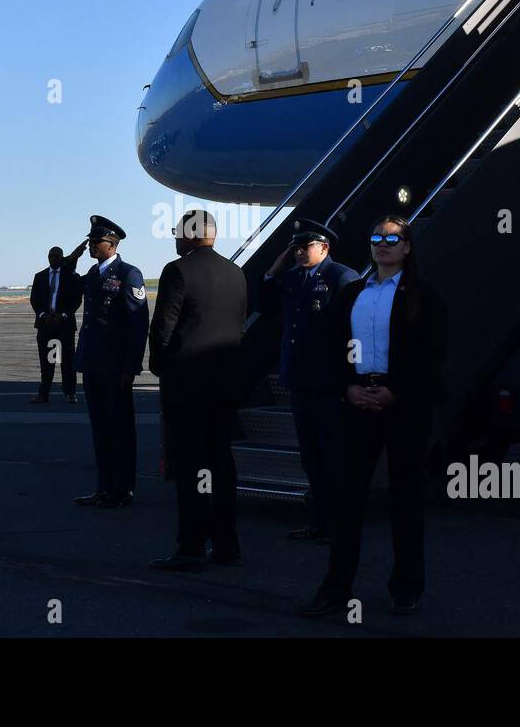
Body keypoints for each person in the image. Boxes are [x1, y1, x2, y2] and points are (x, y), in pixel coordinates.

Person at [298, 216, 447, 618]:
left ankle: (406, 588)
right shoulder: (351, 295)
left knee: (405, 497)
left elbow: (430, 356)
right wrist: (347, 387)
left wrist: (395, 390)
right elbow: (330, 346)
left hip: (403, 405)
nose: (383, 244)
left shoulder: (423, 296)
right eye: (377, 238)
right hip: (357, 402)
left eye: (392, 239)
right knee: (347, 499)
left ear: (407, 247)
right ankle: (335, 589)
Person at [147, 210, 248, 570]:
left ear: (191, 234)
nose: (174, 237)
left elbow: (162, 330)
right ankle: (227, 544)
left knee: (190, 469)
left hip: (187, 389)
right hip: (224, 387)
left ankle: (190, 546)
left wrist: (160, 368)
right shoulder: (235, 272)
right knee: (222, 467)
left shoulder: (178, 271)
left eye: (177, 232)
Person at [259, 219, 358, 542]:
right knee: (310, 455)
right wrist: (279, 262)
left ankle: (341, 523)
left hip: (329, 382)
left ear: (324, 248)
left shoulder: (341, 277)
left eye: (306, 247)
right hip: (300, 379)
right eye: (296, 248)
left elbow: (352, 330)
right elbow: (266, 297)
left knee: (335, 454)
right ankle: (319, 521)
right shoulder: (292, 278)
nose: (300, 252)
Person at [73, 215, 149, 509]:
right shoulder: (92, 275)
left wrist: (131, 367)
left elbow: (137, 323)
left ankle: (123, 488)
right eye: (90, 241)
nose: (91, 245)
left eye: (96, 242)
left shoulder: (129, 274)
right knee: (99, 427)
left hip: (115, 366)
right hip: (92, 362)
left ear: (111, 244)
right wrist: (73, 258)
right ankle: (103, 487)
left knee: (120, 428)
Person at [29, 246, 82, 404]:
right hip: (45, 326)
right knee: (47, 362)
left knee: (67, 361)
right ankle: (43, 394)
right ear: (47, 257)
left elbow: (76, 300)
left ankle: (70, 393)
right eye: (51, 256)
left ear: (62, 257)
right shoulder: (40, 276)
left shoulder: (71, 276)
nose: (53, 259)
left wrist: (64, 314)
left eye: (57, 256)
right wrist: (42, 315)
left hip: (64, 326)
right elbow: (34, 299)